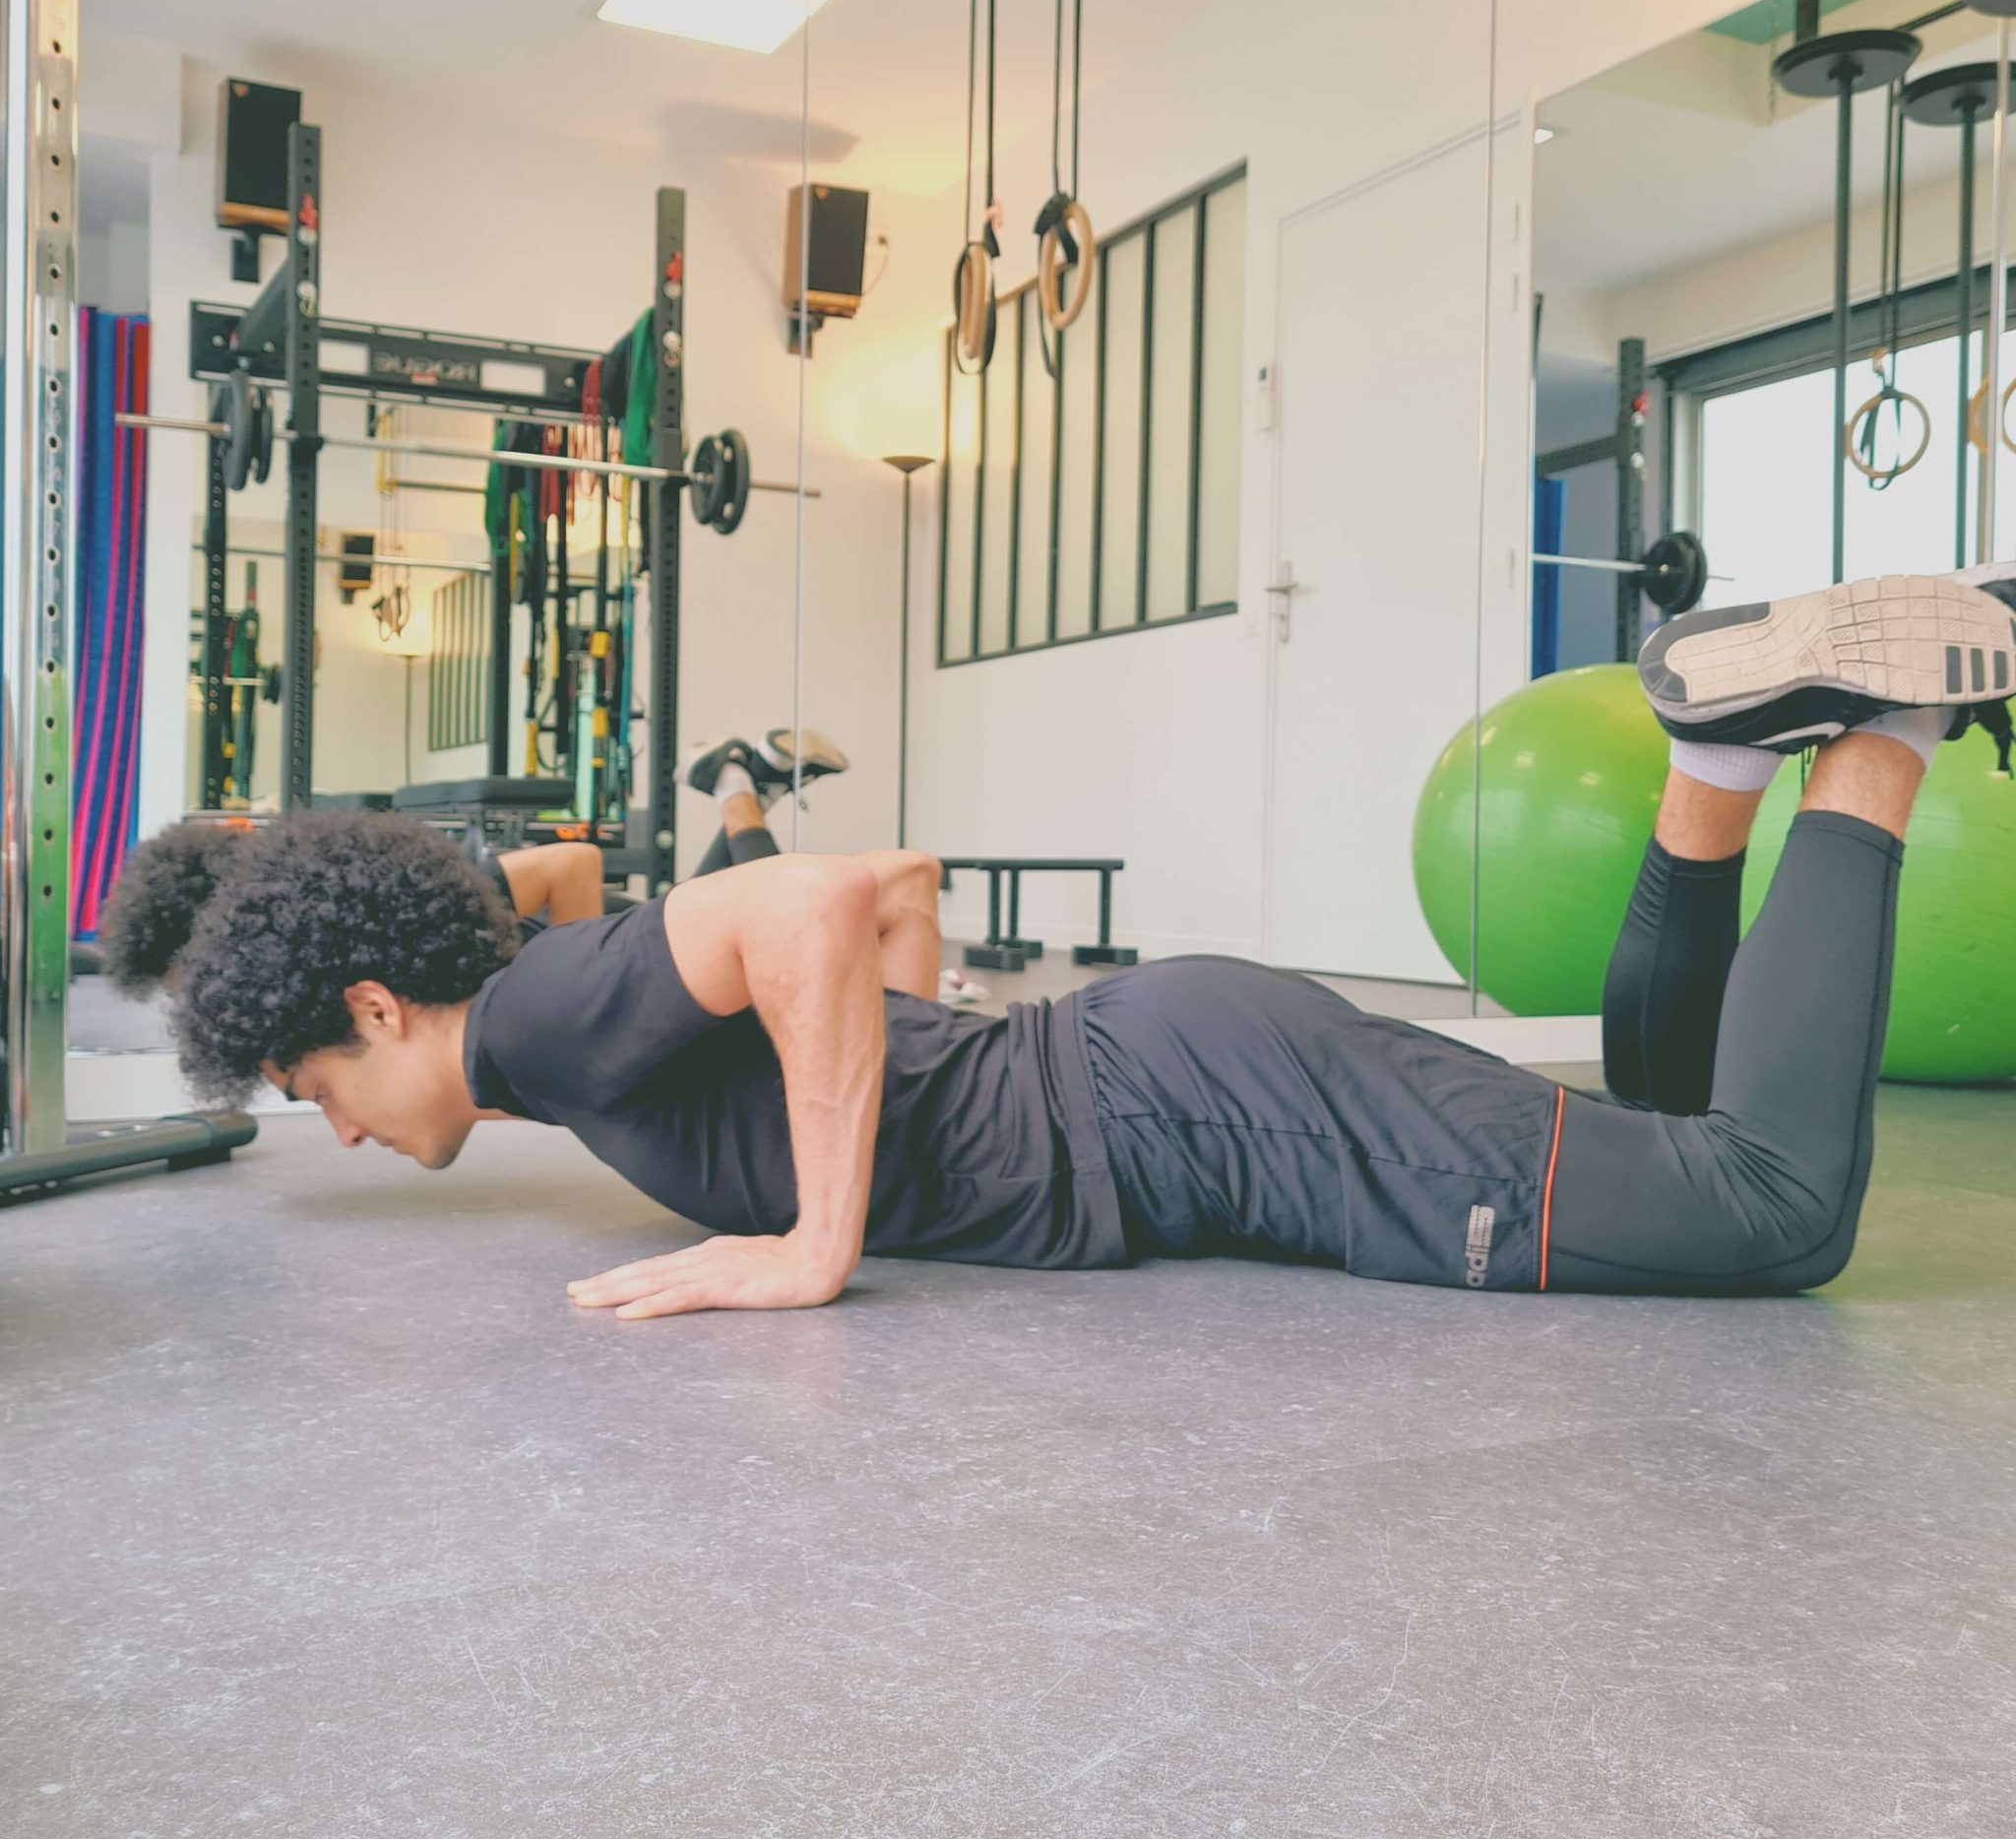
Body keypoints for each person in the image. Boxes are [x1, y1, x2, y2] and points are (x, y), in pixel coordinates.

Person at [154, 565, 2016, 1320]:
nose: (335, 1122)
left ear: (383, 1005)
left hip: (1212, 1115)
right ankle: (1705, 765)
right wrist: (920, 1080)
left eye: (323, 1078)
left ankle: (1871, 742)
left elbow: (802, 900)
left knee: (1772, 1207)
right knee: (1663, 1108)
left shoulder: (540, 1025)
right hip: (1180, 1073)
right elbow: (886, 880)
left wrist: (814, 1238)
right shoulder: (551, 1028)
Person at [97, 726, 850, 992]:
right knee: (714, 902)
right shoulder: (324, 968)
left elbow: (574, 868)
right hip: (627, 953)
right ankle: (747, 784)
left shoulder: (390, 911)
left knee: (769, 909)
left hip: (615, 951)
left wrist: (584, 982)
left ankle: (730, 783)